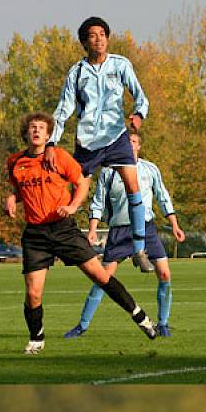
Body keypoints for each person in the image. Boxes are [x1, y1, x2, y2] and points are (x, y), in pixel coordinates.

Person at [6, 112, 156, 356]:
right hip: (36, 234)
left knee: (100, 275)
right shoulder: (15, 161)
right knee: (33, 292)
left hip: (63, 228)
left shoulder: (59, 156)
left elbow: (82, 182)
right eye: (32, 127)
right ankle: (37, 338)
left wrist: (74, 206)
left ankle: (139, 315)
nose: (36, 131)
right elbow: (19, 187)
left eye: (41, 128)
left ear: (48, 134)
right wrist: (13, 198)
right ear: (26, 133)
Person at [68, 131, 185, 339]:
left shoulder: (150, 169)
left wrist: (174, 224)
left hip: (146, 229)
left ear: (139, 146)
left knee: (165, 274)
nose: (130, 145)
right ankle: (82, 325)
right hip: (119, 232)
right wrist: (93, 229)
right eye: (126, 142)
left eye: (133, 142)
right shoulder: (108, 172)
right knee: (102, 278)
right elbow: (98, 202)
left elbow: (162, 196)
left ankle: (164, 323)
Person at [48, 17, 148, 257]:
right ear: (85, 42)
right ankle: (57, 240)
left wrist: (138, 114)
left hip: (116, 136)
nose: (99, 39)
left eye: (102, 34)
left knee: (133, 186)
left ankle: (139, 249)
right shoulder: (77, 72)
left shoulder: (121, 65)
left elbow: (140, 97)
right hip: (88, 141)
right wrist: (51, 143)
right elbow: (63, 109)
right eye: (93, 35)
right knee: (72, 192)